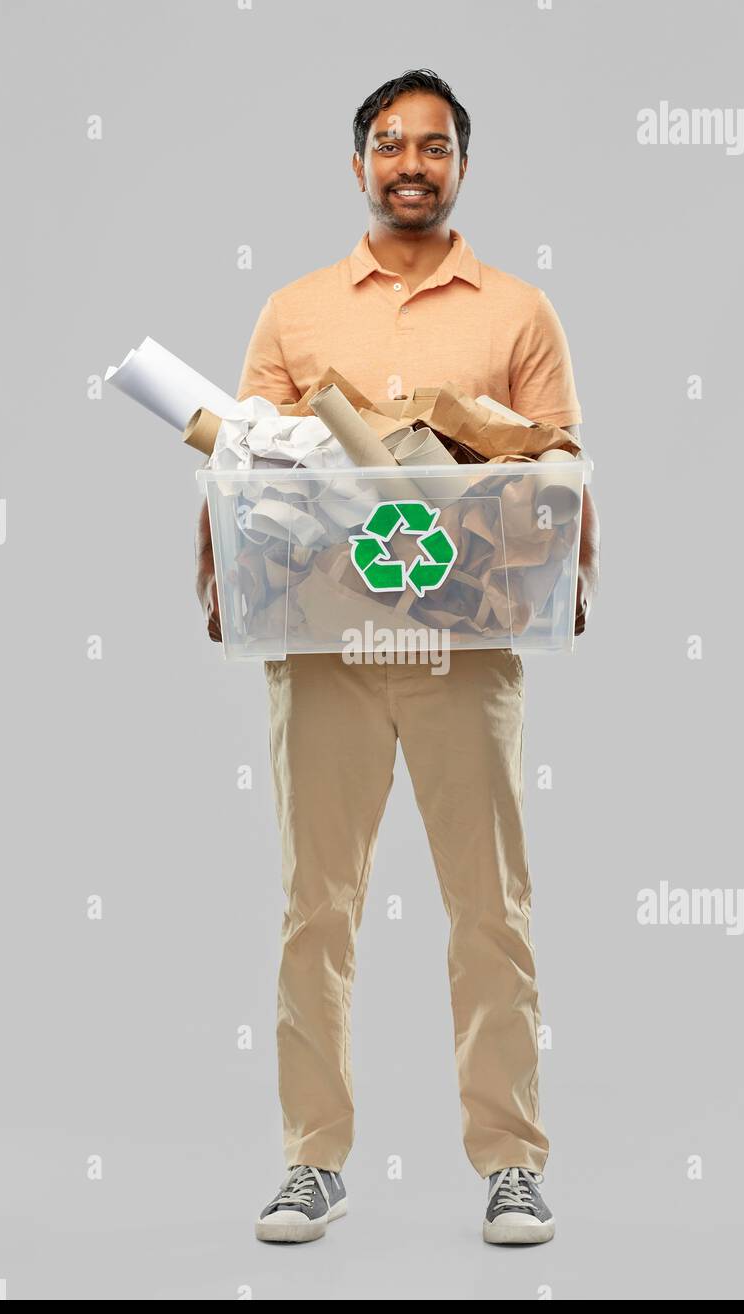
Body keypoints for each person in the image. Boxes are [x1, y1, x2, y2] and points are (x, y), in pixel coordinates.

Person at [194, 68, 600, 1246]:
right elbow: (243, 463)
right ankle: (309, 1159)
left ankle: (509, 1161)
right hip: (322, 643)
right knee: (314, 906)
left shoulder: (515, 311)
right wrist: (215, 567)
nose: (409, 163)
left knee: (490, 906)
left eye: (432, 145)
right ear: (358, 164)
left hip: (463, 643)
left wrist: (546, 533)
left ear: (459, 165)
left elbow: (559, 462)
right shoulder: (295, 309)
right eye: (387, 143)